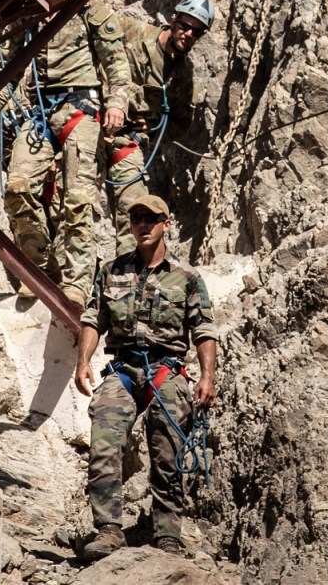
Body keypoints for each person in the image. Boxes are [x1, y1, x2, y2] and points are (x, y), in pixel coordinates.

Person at [74, 194, 218, 560]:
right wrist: (83, 361)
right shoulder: (110, 271)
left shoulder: (186, 278)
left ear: (165, 224)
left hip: (167, 369)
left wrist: (207, 376)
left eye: (151, 219)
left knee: (166, 442)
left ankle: (167, 533)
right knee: (104, 431)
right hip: (123, 368)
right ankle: (108, 530)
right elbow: (93, 319)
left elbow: (203, 329)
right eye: (137, 218)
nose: (143, 224)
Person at [0, 0, 130, 305]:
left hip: (80, 109)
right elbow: (10, 70)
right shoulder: (29, 18)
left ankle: (77, 282)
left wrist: (116, 103)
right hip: (39, 111)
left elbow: (116, 65)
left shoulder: (90, 11)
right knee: (18, 185)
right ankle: (40, 268)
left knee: (78, 198)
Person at [91, 0, 213, 255]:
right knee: (72, 206)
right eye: (185, 25)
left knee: (135, 215)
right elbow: (95, 31)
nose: (189, 34)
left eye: (197, 31)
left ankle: (125, 279)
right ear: (173, 20)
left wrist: (154, 129)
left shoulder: (182, 76)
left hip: (127, 143)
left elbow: (181, 122)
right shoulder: (131, 30)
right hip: (90, 125)